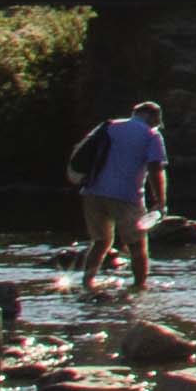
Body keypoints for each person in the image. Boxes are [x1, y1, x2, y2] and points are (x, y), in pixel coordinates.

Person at [70, 99, 169, 294]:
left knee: (100, 241)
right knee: (137, 245)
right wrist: (160, 202)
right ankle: (139, 287)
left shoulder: (109, 126)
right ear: (152, 116)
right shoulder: (151, 135)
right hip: (126, 197)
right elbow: (156, 169)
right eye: (157, 120)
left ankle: (87, 283)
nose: (158, 124)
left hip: (92, 192)